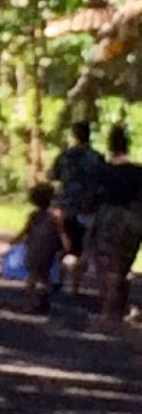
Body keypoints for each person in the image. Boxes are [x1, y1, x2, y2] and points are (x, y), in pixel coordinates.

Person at [85, 124, 142, 329]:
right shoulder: (138, 172)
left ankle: (107, 311)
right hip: (134, 220)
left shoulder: (103, 171)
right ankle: (120, 307)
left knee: (106, 265)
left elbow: (90, 197)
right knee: (124, 265)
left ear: (110, 146)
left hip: (109, 217)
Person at [50, 120, 105, 295]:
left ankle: (57, 278)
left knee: (60, 243)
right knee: (80, 246)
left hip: (64, 205)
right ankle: (74, 286)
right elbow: (101, 183)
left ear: (74, 135)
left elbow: (54, 176)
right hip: (86, 208)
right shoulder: (96, 158)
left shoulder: (64, 156)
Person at [15, 182, 61, 314]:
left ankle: (29, 304)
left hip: (33, 247)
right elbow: (61, 231)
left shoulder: (33, 215)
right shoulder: (55, 216)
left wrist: (16, 239)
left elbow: (26, 230)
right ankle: (45, 298)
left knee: (32, 276)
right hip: (48, 249)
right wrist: (66, 244)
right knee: (44, 274)